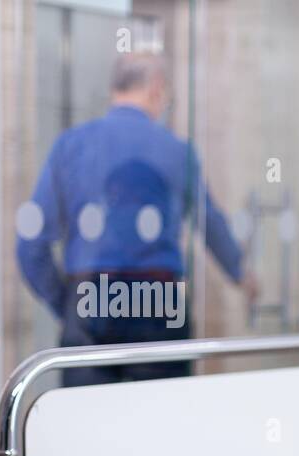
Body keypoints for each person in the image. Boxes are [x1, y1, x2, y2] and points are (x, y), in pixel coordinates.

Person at [16, 53, 256, 387]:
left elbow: (31, 245)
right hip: (159, 299)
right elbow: (210, 222)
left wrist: (68, 304)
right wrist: (241, 274)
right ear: (157, 89)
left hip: (91, 295)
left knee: (85, 427)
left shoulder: (70, 146)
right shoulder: (176, 151)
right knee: (158, 424)